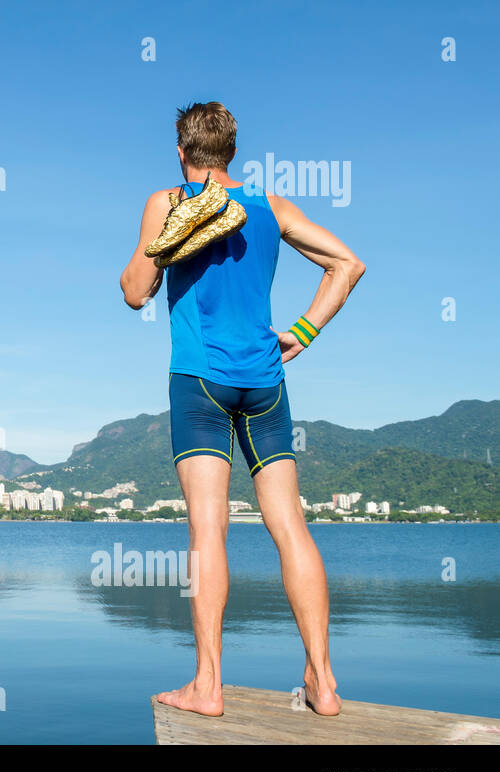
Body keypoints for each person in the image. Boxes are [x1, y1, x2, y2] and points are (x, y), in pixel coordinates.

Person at [119, 102, 365, 717]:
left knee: (209, 529)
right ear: (232, 151)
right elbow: (348, 263)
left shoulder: (168, 200)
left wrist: (169, 235)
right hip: (266, 382)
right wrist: (303, 331)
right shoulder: (271, 205)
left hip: (199, 380)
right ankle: (325, 683)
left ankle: (207, 686)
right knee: (290, 525)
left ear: (182, 150)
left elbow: (133, 291)